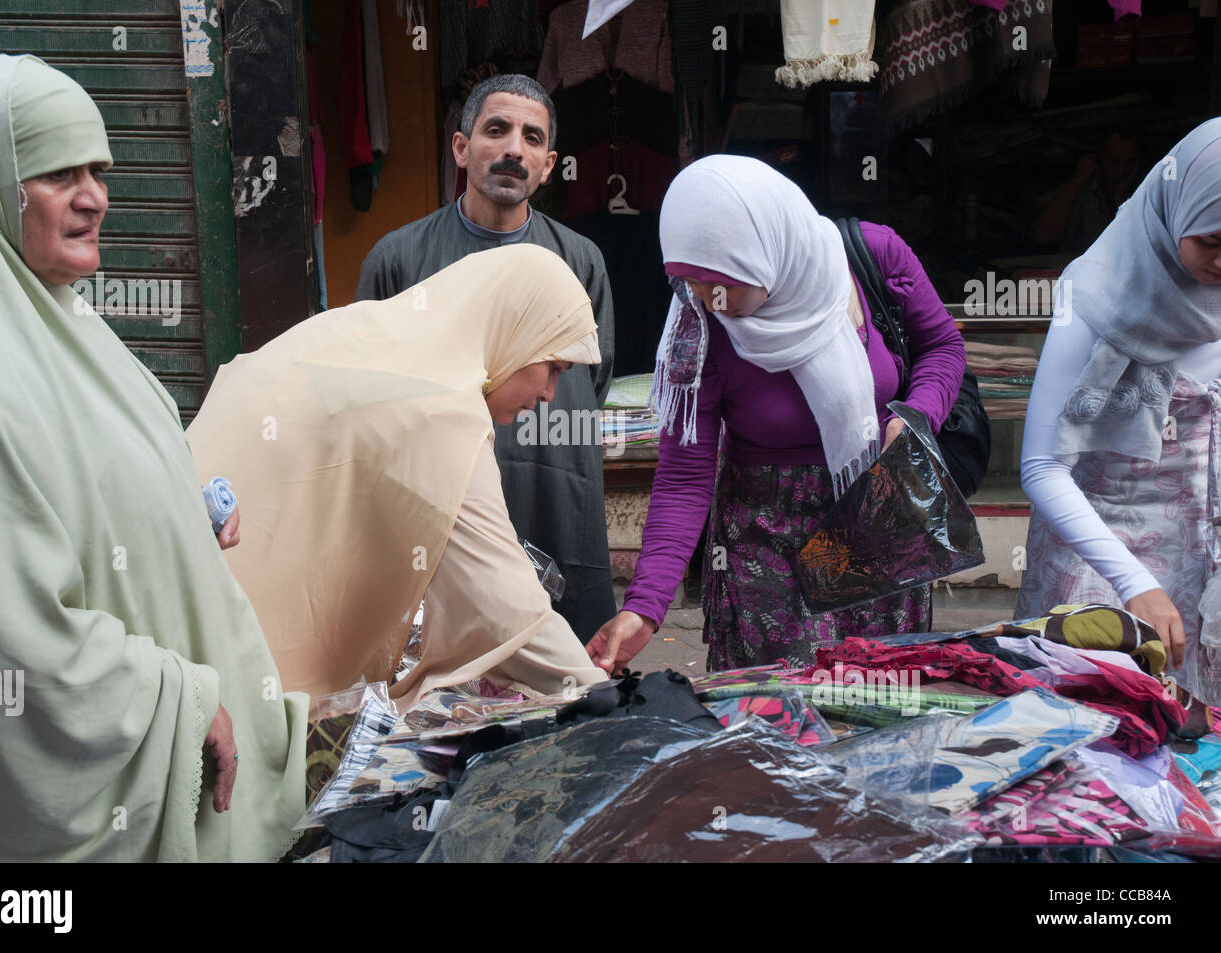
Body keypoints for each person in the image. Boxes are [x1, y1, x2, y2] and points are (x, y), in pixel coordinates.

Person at [0, 54, 306, 861]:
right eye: (58, 173)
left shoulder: (63, 324)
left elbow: (78, 480)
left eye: (97, 168)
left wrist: (176, 510)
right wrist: (181, 701)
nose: (95, 196)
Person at [588, 155, 967, 674]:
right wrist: (644, 607)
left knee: (881, 709)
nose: (707, 298)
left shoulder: (870, 256)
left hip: (881, 516)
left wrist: (916, 414)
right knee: (776, 724)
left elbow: (943, 347)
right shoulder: (697, 322)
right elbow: (683, 476)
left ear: (762, 252)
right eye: (689, 282)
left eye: (718, 281)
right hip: (765, 550)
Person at [187, 244, 609, 707]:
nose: (550, 394)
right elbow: (504, 609)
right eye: (552, 367)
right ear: (516, 331)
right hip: (229, 650)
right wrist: (604, 697)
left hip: (182, 585)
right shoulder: (439, 407)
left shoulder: (365, 331)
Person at [355, 73, 616, 645]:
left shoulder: (582, 261)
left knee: (567, 691)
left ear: (549, 164)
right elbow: (367, 401)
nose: (512, 149)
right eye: (496, 130)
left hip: (555, 491)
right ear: (461, 147)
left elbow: (591, 379)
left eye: (531, 137)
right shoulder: (399, 259)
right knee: (445, 696)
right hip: (439, 512)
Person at [1016, 119, 1221, 705]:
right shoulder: (1096, 298)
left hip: (1199, 572)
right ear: (1177, 209)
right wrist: (1133, 583)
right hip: (1103, 568)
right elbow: (1041, 468)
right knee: (1099, 758)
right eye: (1210, 241)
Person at [1035, 127, 1141, 253]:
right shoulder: (1082, 192)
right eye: (1113, 161)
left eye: (1129, 163)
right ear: (1100, 158)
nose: (1121, 170)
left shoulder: (1145, 193)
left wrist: (1121, 199)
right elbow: (1044, 236)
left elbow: (1135, 249)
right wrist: (1077, 179)